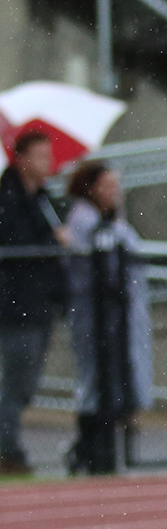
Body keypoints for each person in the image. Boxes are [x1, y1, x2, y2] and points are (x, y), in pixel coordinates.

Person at [63, 161, 152, 475]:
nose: (114, 193)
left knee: (117, 379)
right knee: (95, 380)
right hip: (95, 317)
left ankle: (104, 447)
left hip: (118, 319)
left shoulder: (109, 221)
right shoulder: (83, 222)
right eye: (107, 185)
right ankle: (88, 449)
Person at [0, 130, 70, 475]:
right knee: (16, 381)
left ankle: (8, 446)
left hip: (39, 304)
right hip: (15, 305)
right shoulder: (8, 197)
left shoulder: (45, 199)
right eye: (41, 156)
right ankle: (7, 450)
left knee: (25, 383)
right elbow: (15, 241)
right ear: (22, 159)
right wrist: (49, 238)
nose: (48, 163)